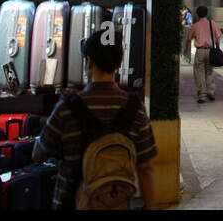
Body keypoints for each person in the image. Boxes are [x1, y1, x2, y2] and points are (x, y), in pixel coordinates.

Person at [33, 30, 157, 210]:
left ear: (89, 62)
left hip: (73, 202)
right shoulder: (135, 108)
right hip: (117, 203)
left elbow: (38, 154)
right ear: (118, 63)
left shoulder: (66, 108)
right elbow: (145, 168)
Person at [189, 5, 222, 104]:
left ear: (197, 14)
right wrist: (218, 48)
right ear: (207, 13)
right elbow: (217, 38)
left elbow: (189, 38)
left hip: (199, 51)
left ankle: (202, 96)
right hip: (210, 51)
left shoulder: (195, 25)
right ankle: (210, 92)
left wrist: (186, 51)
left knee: (199, 73)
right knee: (209, 72)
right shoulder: (212, 24)